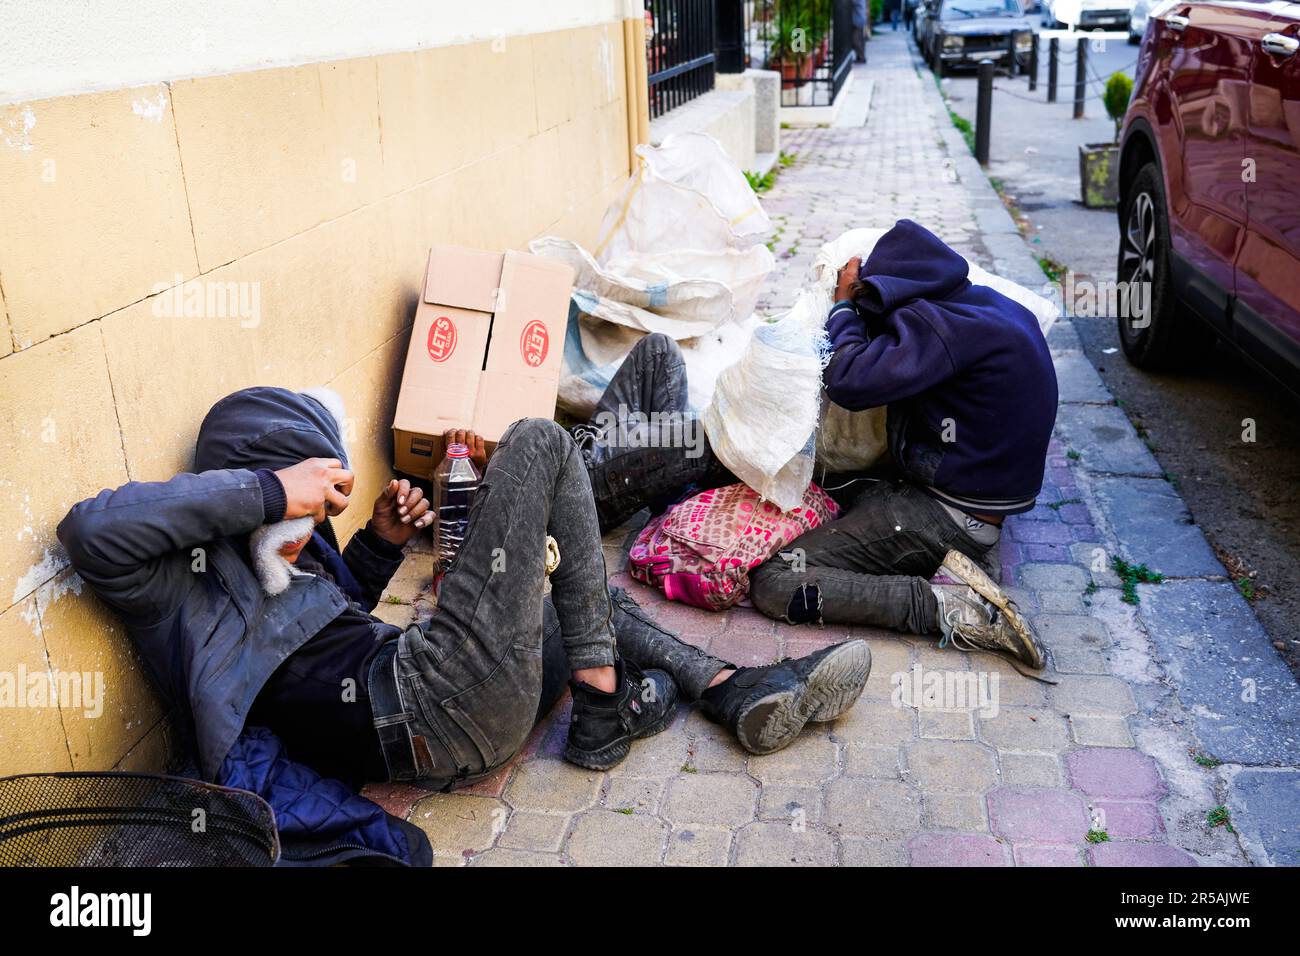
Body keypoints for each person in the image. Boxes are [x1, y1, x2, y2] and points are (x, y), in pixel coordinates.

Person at [59, 388, 870, 796]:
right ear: (253, 476)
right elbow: (89, 531)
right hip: (428, 703)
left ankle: (730, 689)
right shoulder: (178, 585)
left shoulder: (289, 561)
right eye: (312, 497)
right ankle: (603, 703)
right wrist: (273, 492)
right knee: (538, 442)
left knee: (573, 596)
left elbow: (331, 628)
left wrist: (378, 541)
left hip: (457, 711)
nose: (316, 520)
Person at [747, 219, 1057, 670]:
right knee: (833, 484)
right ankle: (954, 562)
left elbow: (848, 380)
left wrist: (844, 310)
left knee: (777, 579)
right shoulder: (992, 306)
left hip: (949, 514)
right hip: (980, 501)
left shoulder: (936, 326)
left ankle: (943, 606)